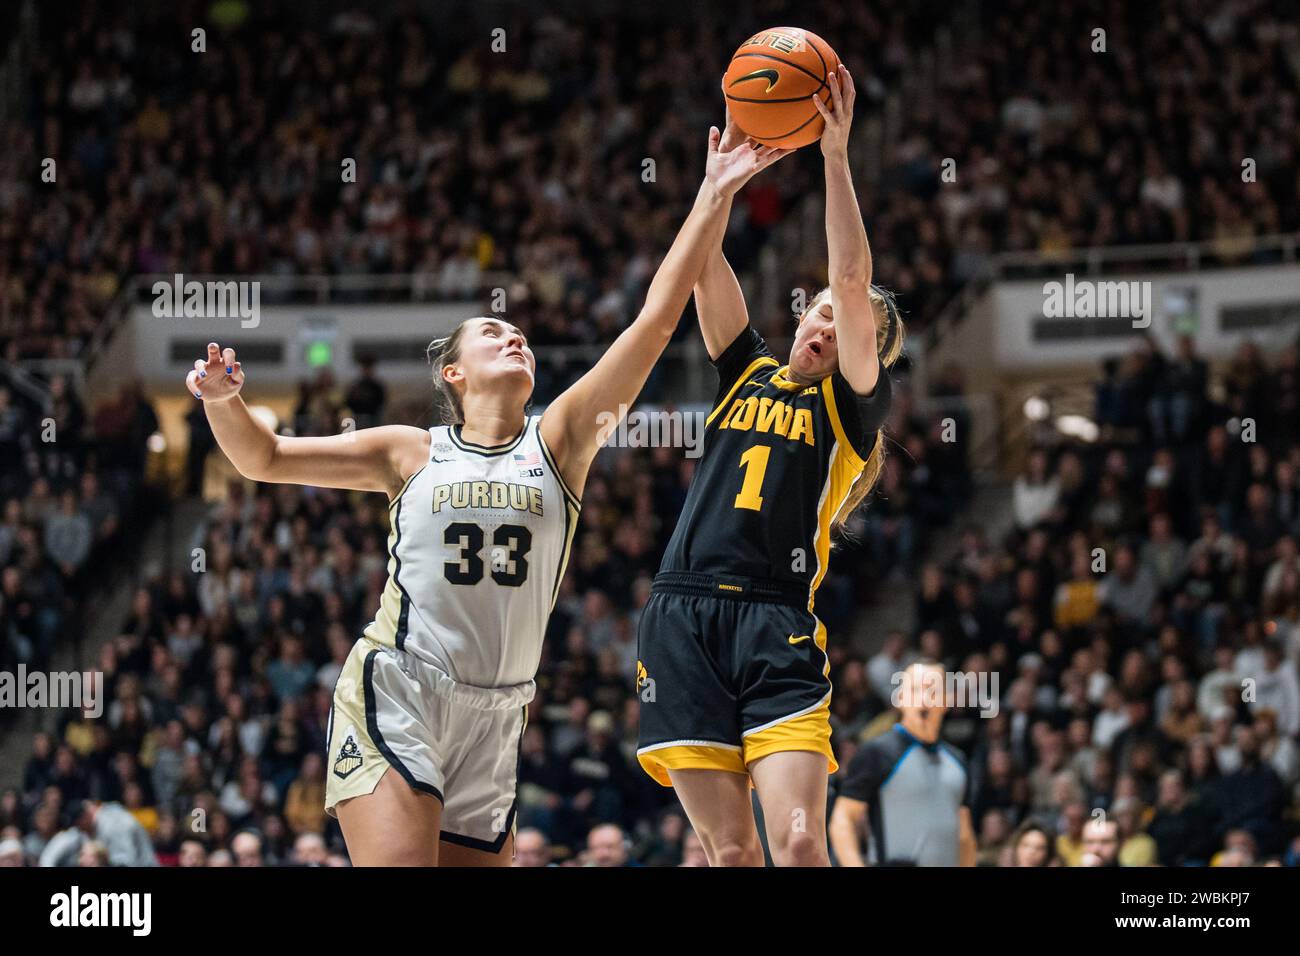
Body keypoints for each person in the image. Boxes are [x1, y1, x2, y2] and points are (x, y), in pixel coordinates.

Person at [185, 127, 789, 867]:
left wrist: (714, 191)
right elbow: (264, 457)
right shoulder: (409, 449)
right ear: (454, 374)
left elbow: (656, 321)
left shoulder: (562, 440)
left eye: (523, 337)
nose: (516, 341)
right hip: (401, 688)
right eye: (495, 333)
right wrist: (223, 402)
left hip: (499, 711)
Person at [635, 64, 902, 867]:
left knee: (797, 841)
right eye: (815, 308)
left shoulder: (851, 410)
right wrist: (717, 185)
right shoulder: (742, 367)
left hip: (774, 616)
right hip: (681, 616)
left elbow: (853, 281)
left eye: (842, 321)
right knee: (731, 852)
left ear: (867, 354)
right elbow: (699, 267)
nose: (825, 318)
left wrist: (834, 154)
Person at [828, 663, 976, 866]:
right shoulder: (877, 753)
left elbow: (965, 834)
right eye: (915, 690)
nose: (924, 699)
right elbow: (843, 820)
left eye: (933, 691)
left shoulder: (957, 760)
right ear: (900, 699)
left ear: (947, 700)